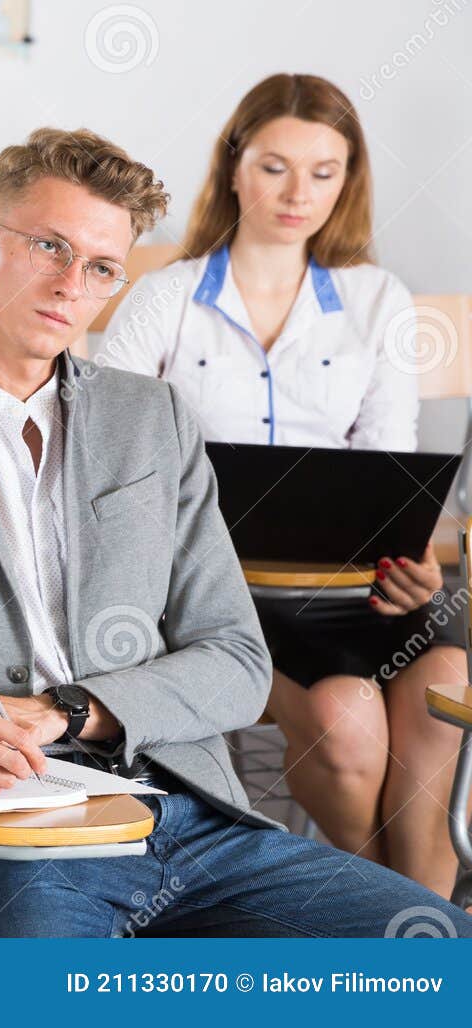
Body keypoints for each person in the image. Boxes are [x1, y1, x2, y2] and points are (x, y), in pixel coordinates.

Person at [0, 125, 472, 937]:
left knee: (441, 953)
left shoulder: (154, 418)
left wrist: (65, 710)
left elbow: (238, 663)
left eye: (100, 268)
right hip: (10, 839)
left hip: (186, 816)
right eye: (49, 247)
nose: (71, 284)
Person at [100, 73, 468, 897]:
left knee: (446, 683)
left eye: (324, 171)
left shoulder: (377, 299)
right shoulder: (164, 300)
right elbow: (105, 462)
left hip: (362, 592)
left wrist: (414, 565)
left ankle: (422, 931)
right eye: (274, 166)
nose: (299, 193)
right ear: (234, 166)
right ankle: (390, 918)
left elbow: (388, 468)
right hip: (218, 598)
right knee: (345, 718)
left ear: (349, 180)